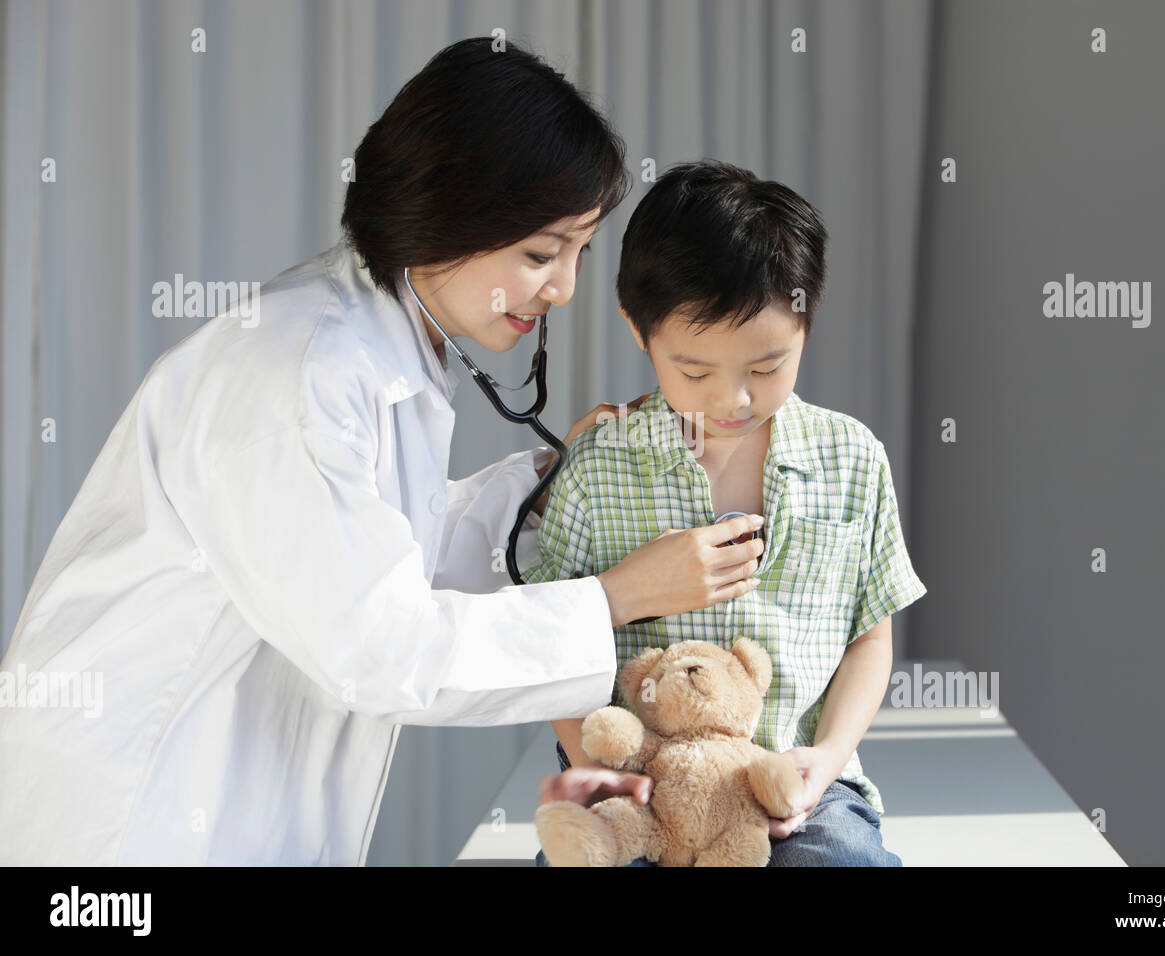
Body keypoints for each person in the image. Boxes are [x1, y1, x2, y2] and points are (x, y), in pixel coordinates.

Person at [0, 40, 766, 866]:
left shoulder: (381, 348)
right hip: (131, 827)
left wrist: (544, 490)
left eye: (578, 252)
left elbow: (381, 559)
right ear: (449, 213)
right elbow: (378, 645)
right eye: (543, 253)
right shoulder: (296, 375)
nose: (564, 289)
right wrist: (614, 598)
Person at [524, 161, 927, 866]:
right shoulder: (597, 467)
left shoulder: (851, 458)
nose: (733, 400)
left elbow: (870, 637)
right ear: (637, 330)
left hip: (796, 786)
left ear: (806, 320)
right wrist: (601, 767)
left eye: (766, 368)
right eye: (696, 372)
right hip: (638, 788)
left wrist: (826, 759)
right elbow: (555, 644)